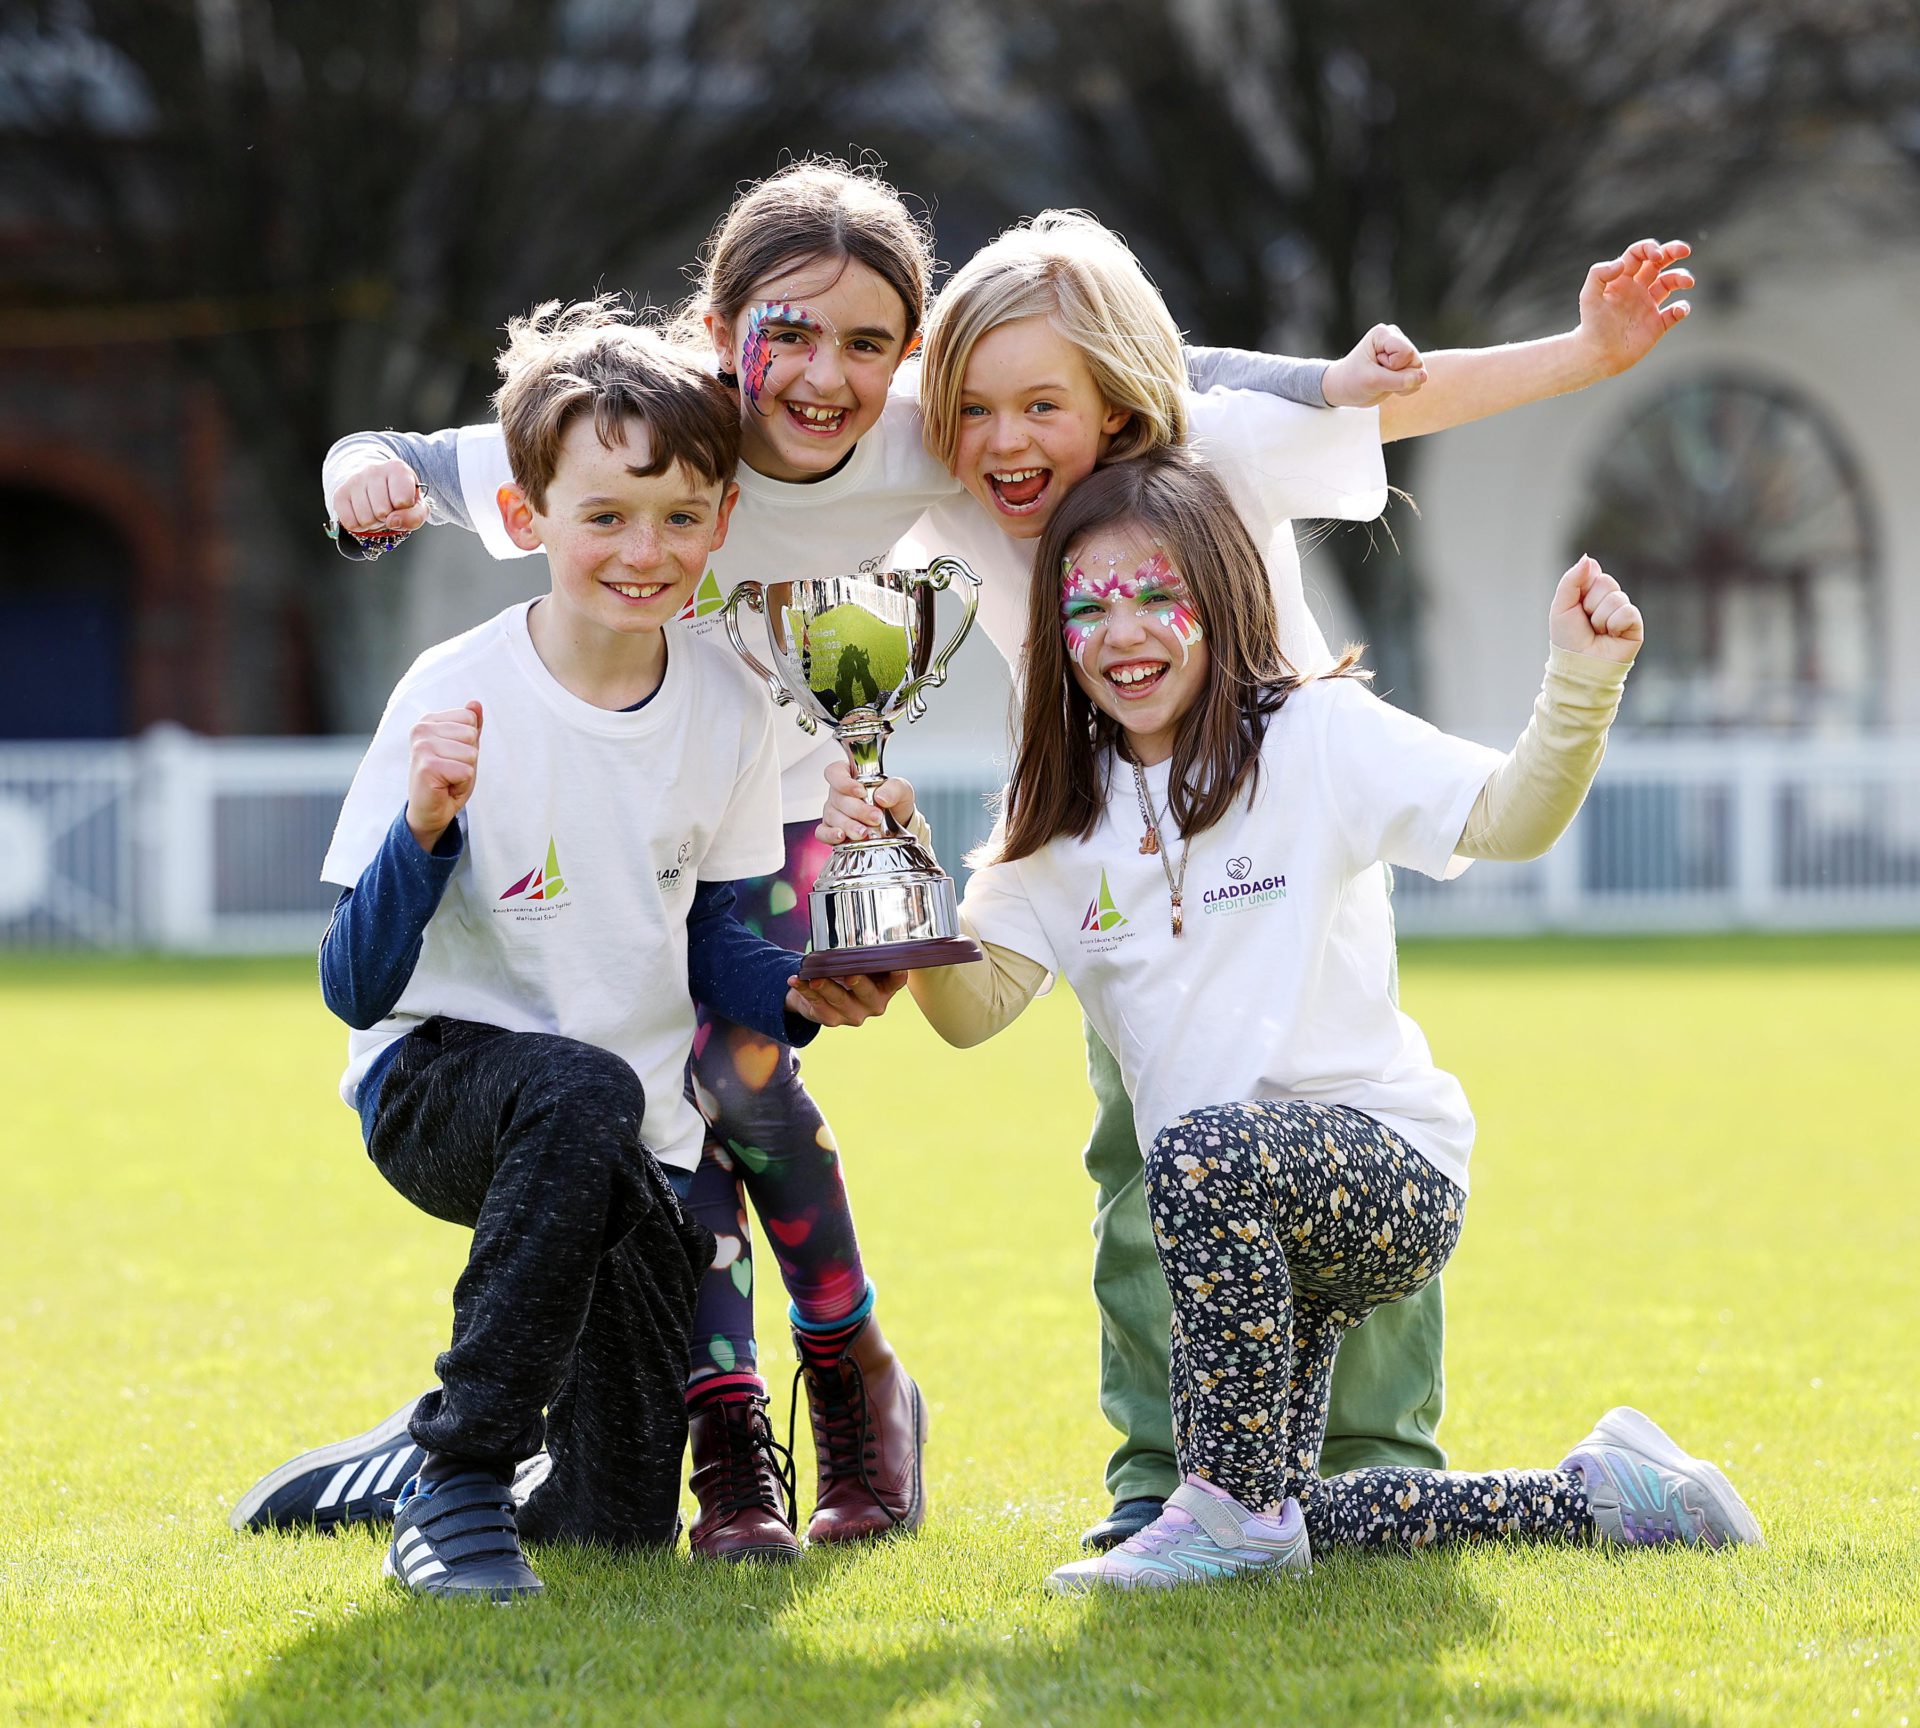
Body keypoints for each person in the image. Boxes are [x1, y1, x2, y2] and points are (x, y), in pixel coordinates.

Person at [281, 157, 1347, 1559]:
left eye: (868, 342)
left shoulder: (917, 425)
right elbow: (440, 461)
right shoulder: (658, 417)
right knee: (660, 1096)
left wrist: (1343, 382)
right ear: (721, 331)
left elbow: (1142, 361)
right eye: (789, 331)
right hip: (623, 805)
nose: (825, 374)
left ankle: (847, 1377)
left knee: (739, 1069)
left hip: (770, 801)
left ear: (907, 353)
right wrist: (363, 475)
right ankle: (711, 1427)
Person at [820, 450, 1761, 1591]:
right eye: (1088, 605)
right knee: (1304, 1503)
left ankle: (1224, 1517)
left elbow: (1508, 817)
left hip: (1387, 1171)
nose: (1127, 631)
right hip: (1240, 1218)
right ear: (1056, 638)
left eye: (1159, 595)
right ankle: (1610, 1498)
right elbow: (970, 1014)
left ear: (1220, 600)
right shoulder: (1055, 823)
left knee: (1201, 1160)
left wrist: (1582, 679)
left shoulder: (1312, 736)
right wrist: (899, 866)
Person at [900, 209, 1697, 1549]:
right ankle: (1181, 1478)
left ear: (1117, 390)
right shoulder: (945, 485)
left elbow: (1390, 398)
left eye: (1044, 404)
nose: (1006, 442)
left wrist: (1581, 353)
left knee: (1315, 1089)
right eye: (974, 410)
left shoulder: (1215, 443)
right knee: (1146, 1156)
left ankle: (1375, 1444)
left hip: (1285, 818)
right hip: (1100, 844)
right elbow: (798, 442)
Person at [297, 298, 898, 1599]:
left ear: (723, 524)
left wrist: (818, 979)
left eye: (682, 518)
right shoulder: (454, 690)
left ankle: (410, 1456)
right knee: (575, 1088)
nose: (647, 550)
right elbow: (353, 981)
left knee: (612, 1520)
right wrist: (427, 828)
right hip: (445, 1088)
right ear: (527, 519)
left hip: (635, 1145)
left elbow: (727, 971)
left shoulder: (735, 708)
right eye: (608, 517)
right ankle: (455, 1480)